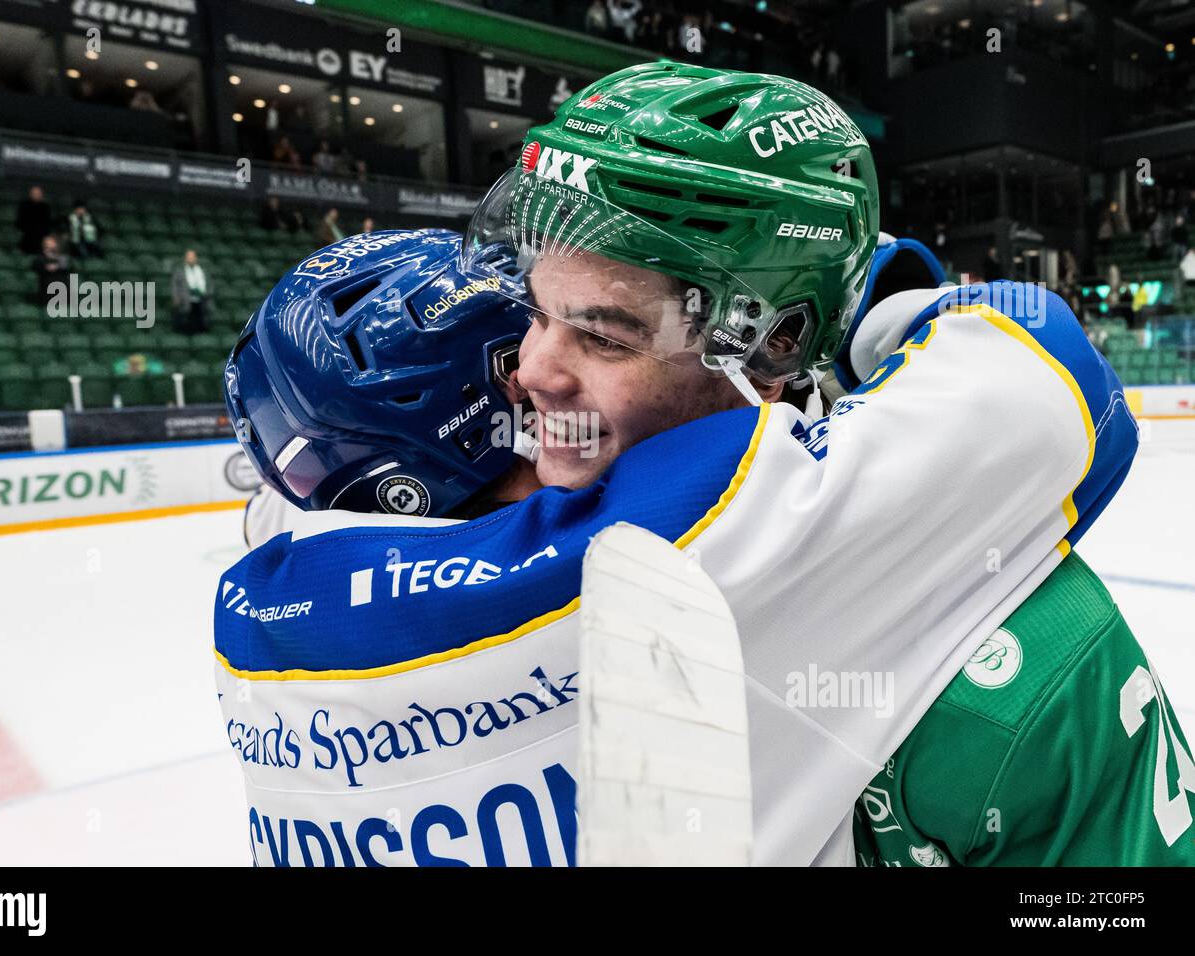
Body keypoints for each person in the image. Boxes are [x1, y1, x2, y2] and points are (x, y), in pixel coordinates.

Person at [216, 69, 1131, 866]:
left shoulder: (255, 619)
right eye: (533, 319)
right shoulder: (711, 538)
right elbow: (1041, 374)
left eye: (599, 335)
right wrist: (855, 303)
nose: (531, 373)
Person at [170, 248, 210, 334]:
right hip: (186, 302)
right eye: (189, 257)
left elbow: (209, 285)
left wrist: (204, 292)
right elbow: (175, 286)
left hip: (200, 303)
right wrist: (176, 297)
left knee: (200, 327)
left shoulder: (202, 271)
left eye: (192, 257)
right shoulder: (179, 272)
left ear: (196, 258)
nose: (191, 259)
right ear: (185, 258)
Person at [31, 234, 71, 306]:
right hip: (46, 295)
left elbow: (68, 266)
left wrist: (57, 263)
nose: (51, 248)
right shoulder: (38, 259)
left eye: (54, 245)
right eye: (48, 246)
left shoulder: (63, 259)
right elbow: (41, 267)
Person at [15, 185, 52, 254]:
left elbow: (47, 223)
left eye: (38, 193)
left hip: (41, 236)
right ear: (30, 194)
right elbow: (19, 222)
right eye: (35, 193)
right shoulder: (24, 205)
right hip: (27, 236)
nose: (37, 195)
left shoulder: (45, 207)